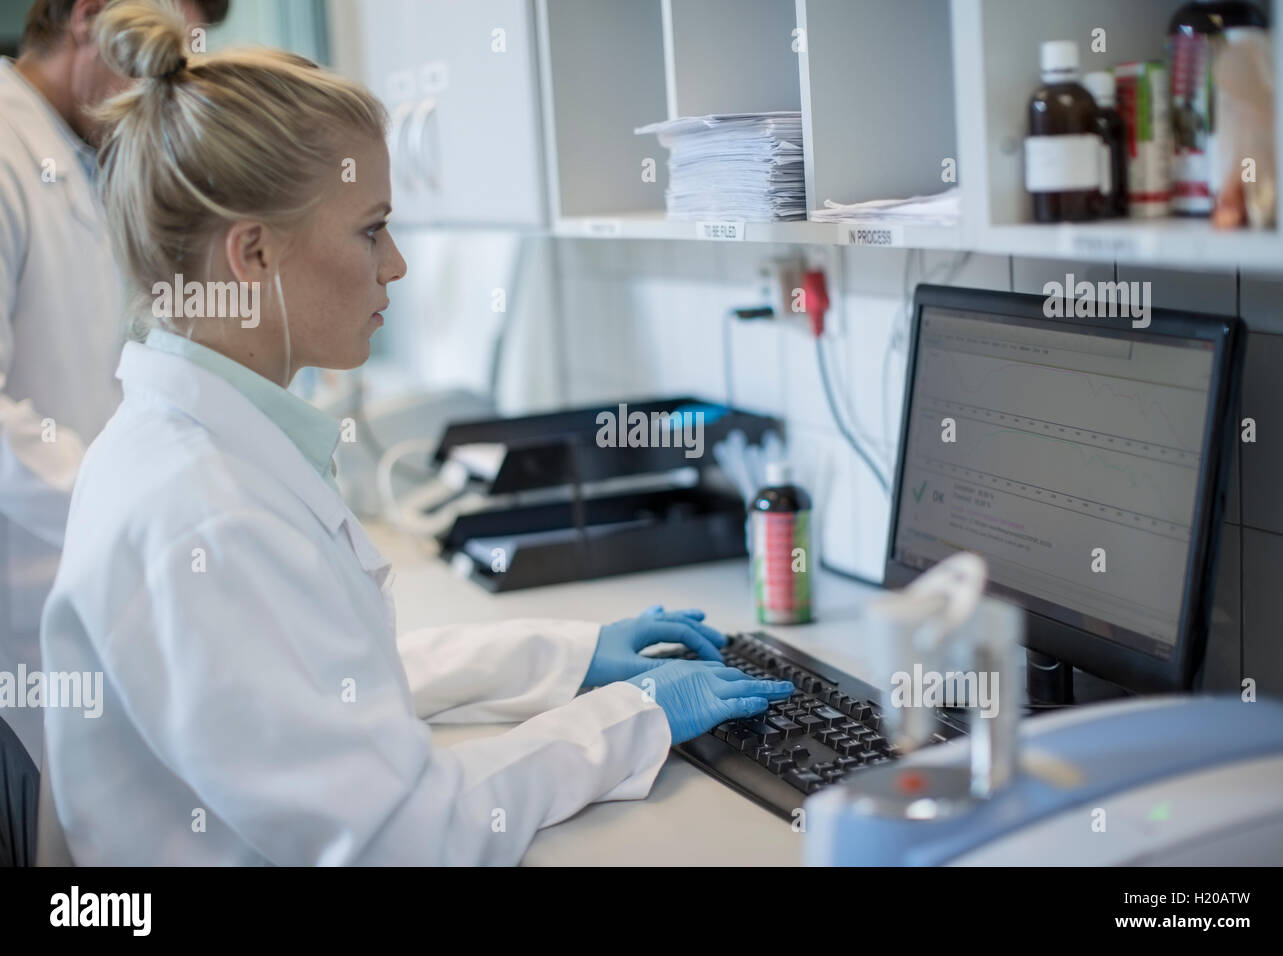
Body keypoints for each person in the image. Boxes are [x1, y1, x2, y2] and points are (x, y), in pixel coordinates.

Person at [39, 0, 794, 866]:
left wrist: (569, 654)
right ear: (252, 255)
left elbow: (336, 691)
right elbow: (404, 835)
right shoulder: (202, 513)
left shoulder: (185, 443)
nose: (394, 264)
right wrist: (635, 717)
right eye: (371, 230)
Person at [0, 0, 226, 766]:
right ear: (88, 15)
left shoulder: (89, 156)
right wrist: (119, 507)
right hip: (27, 589)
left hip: (95, 581)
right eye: (153, 50)